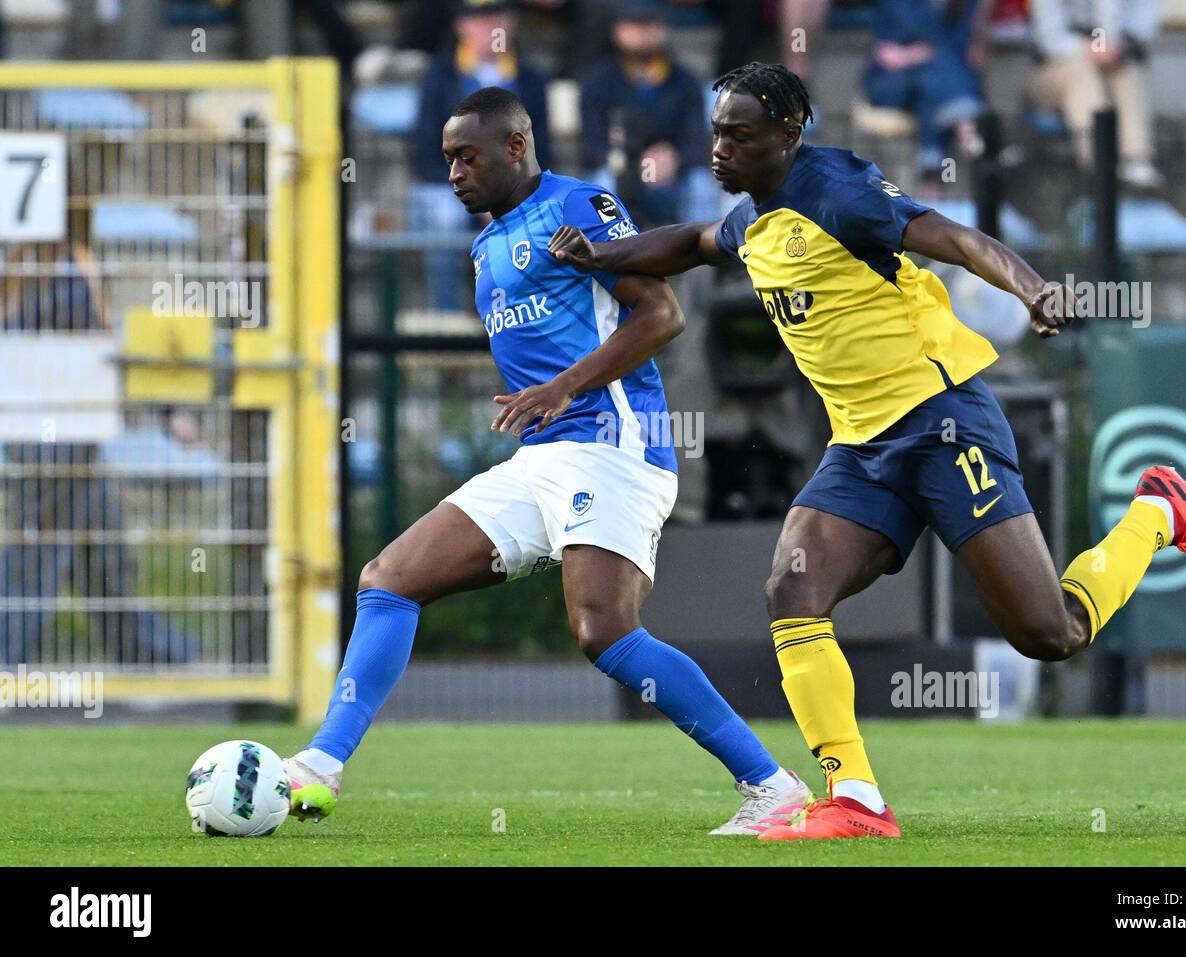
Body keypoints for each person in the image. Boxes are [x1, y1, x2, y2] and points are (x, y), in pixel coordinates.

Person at [549, 62, 1186, 840]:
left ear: (787, 135)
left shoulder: (840, 193)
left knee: (1049, 633)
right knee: (792, 588)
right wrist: (601, 258)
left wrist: (1031, 289)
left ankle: (1157, 514)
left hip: (941, 421)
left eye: (738, 135)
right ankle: (855, 797)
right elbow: (689, 241)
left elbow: (953, 237)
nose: (719, 148)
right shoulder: (755, 217)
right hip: (861, 445)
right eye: (716, 133)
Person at [283, 86, 811, 836]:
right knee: (389, 580)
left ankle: (773, 785)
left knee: (604, 629)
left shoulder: (580, 206)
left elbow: (663, 314)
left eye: (468, 156)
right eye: (446, 160)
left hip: (612, 443)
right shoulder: (483, 244)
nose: (456, 172)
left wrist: (562, 387)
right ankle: (320, 764)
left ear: (517, 146)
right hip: (542, 457)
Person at [408, 0, 552, 308]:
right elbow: (424, 152)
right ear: (460, 27)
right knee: (443, 217)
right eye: (477, 20)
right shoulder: (439, 75)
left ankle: (522, 313)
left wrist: (506, 195)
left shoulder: (531, 79)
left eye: (494, 19)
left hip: (513, 188)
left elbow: (542, 150)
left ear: (510, 23)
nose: (487, 30)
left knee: (538, 215)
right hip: (450, 186)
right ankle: (446, 319)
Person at [578, 0, 715, 228]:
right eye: (633, 24)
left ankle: (704, 258)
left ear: (664, 27)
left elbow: (696, 143)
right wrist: (634, 163)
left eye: (650, 23)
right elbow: (592, 147)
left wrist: (673, 159)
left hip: (673, 176)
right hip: (620, 171)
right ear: (617, 30)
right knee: (603, 184)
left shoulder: (685, 81)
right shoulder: (597, 82)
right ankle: (607, 256)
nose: (643, 32)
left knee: (700, 183)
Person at [1027, 0, 1163, 190]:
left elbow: (1139, 29)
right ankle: (1098, 163)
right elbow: (1051, 39)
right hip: (1050, 76)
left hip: (1106, 64)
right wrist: (1093, 49)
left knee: (1126, 71)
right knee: (1082, 71)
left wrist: (1113, 47)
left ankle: (1136, 160)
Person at [863, 0, 986, 189]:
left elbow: (963, 48)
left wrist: (920, 53)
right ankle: (965, 127)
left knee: (931, 86)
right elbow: (889, 54)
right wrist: (921, 54)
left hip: (934, 86)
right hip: (892, 83)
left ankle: (931, 170)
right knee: (940, 77)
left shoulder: (964, 4)